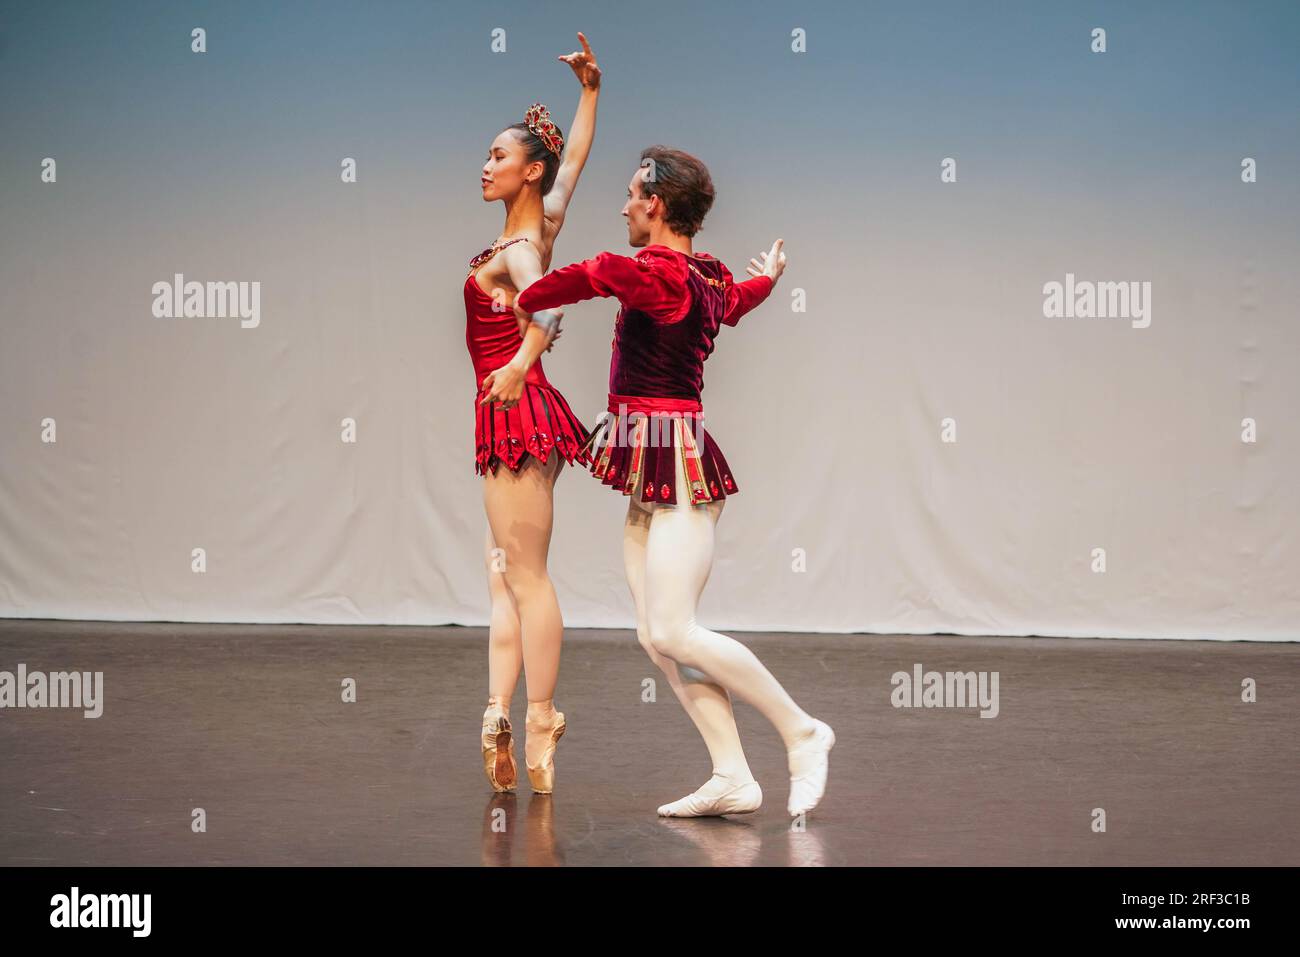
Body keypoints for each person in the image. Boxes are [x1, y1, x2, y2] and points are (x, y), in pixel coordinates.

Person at [512, 146, 835, 817]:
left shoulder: (664, 275)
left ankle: (802, 731)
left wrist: (529, 294)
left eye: (632, 194)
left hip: (675, 458)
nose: (625, 205)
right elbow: (738, 302)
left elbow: (600, 272)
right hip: (648, 458)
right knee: (656, 636)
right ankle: (732, 776)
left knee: (676, 631)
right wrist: (769, 280)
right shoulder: (707, 278)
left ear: (656, 205)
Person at [466, 33, 600, 794]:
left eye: (498, 155)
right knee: (504, 576)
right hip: (512, 416)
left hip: (516, 415)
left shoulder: (521, 248)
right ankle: (498, 708)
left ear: (528, 169)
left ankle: (540, 712)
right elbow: (575, 163)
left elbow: (542, 313)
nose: (485, 164)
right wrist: (590, 94)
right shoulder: (534, 227)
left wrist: (518, 364)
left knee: (527, 576)